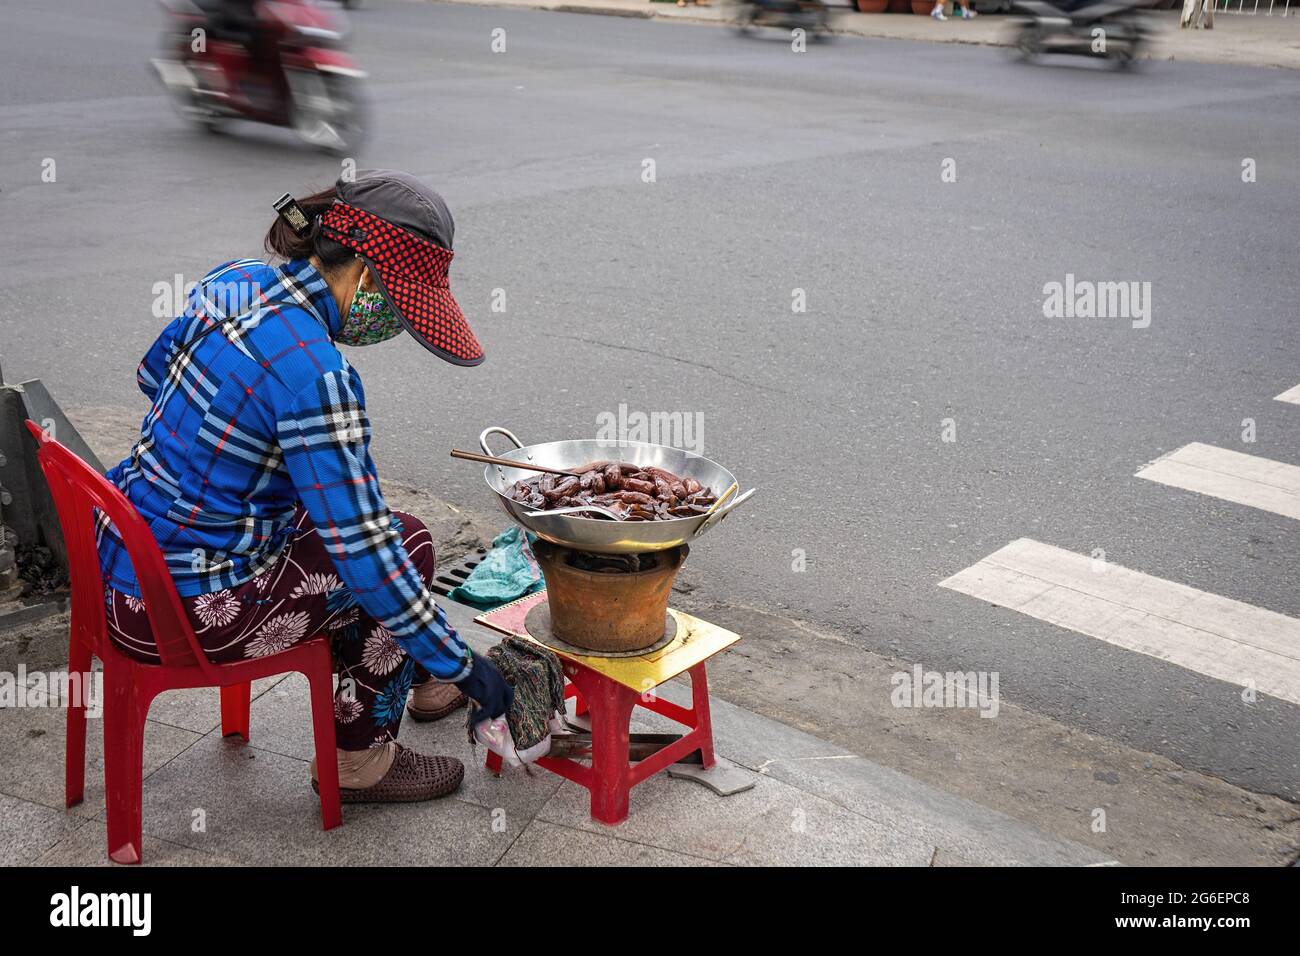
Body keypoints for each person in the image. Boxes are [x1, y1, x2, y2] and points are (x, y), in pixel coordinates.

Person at [98, 169, 513, 803]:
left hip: (123, 571)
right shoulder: (317, 377)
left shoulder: (232, 281)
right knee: (404, 549)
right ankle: (359, 763)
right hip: (188, 615)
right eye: (399, 305)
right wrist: (470, 665)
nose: (396, 323)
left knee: (375, 534)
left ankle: (424, 679)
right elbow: (368, 558)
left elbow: (153, 377)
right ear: (368, 277)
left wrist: (251, 467)